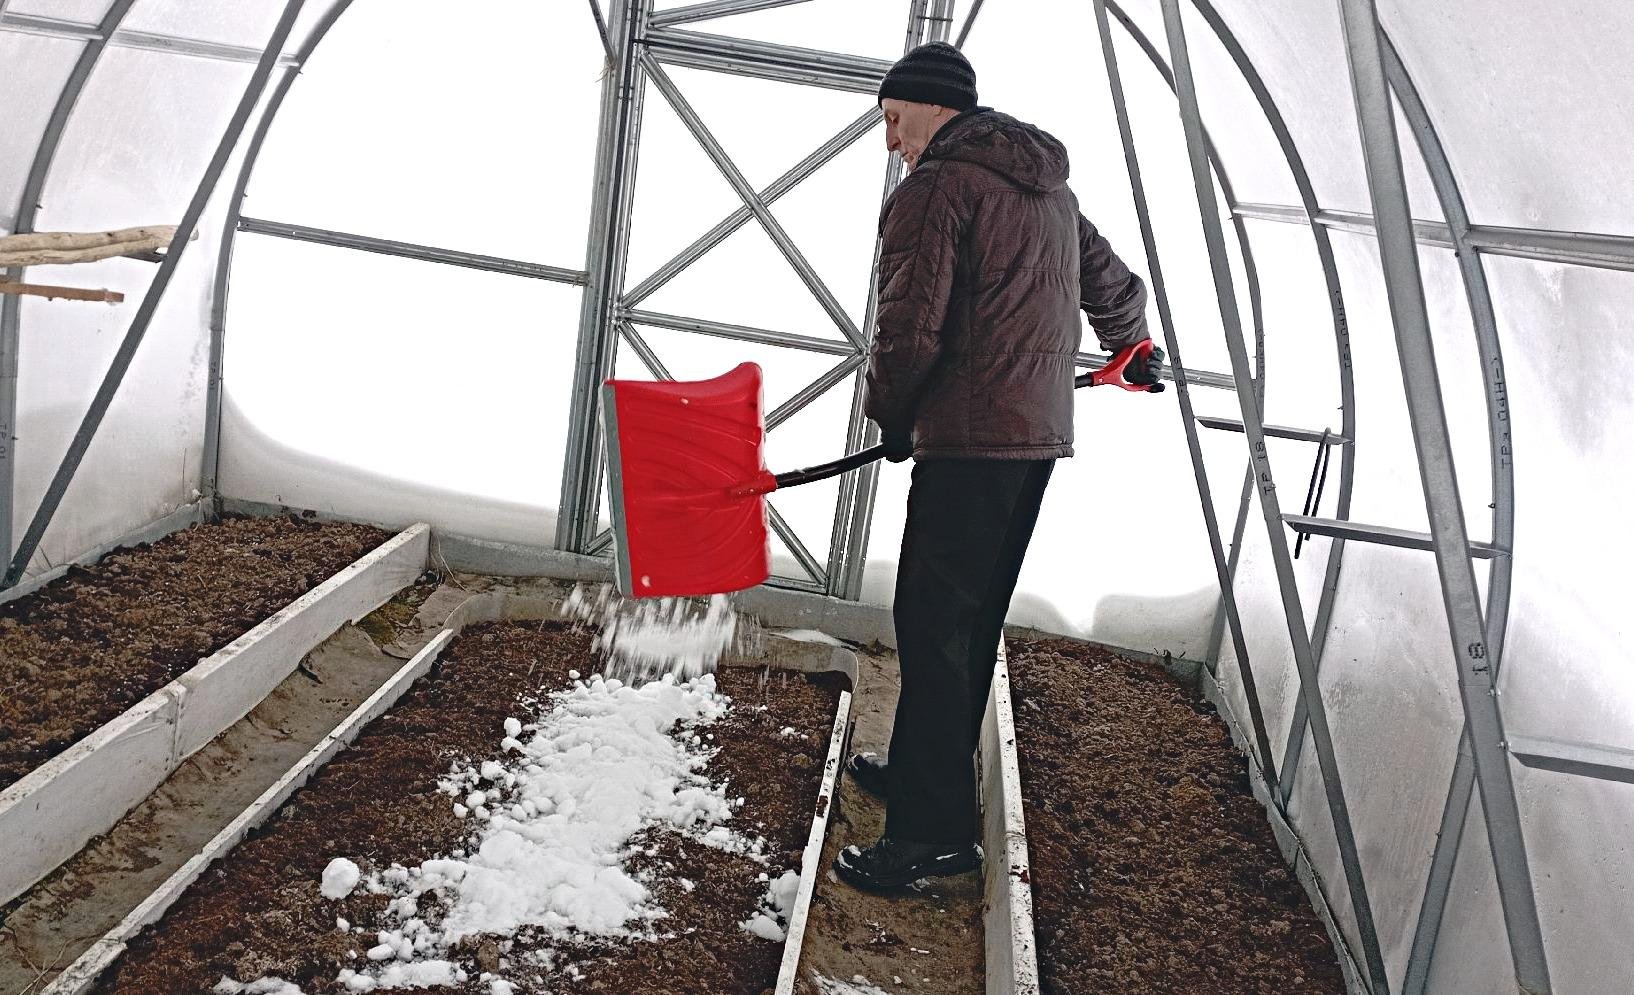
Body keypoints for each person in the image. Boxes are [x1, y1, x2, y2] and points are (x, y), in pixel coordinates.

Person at [833, 41, 1164, 892]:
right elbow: (1115, 283)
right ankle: (922, 775)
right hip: (1033, 441)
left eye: (894, 121)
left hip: (972, 440)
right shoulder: (1046, 187)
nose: (891, 142)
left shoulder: (937, 190)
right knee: (965, 625)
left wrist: (894, 415)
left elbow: (910, 329)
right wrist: (1131, 344)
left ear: (933, 108)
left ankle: (932, 838)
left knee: (933, 626)